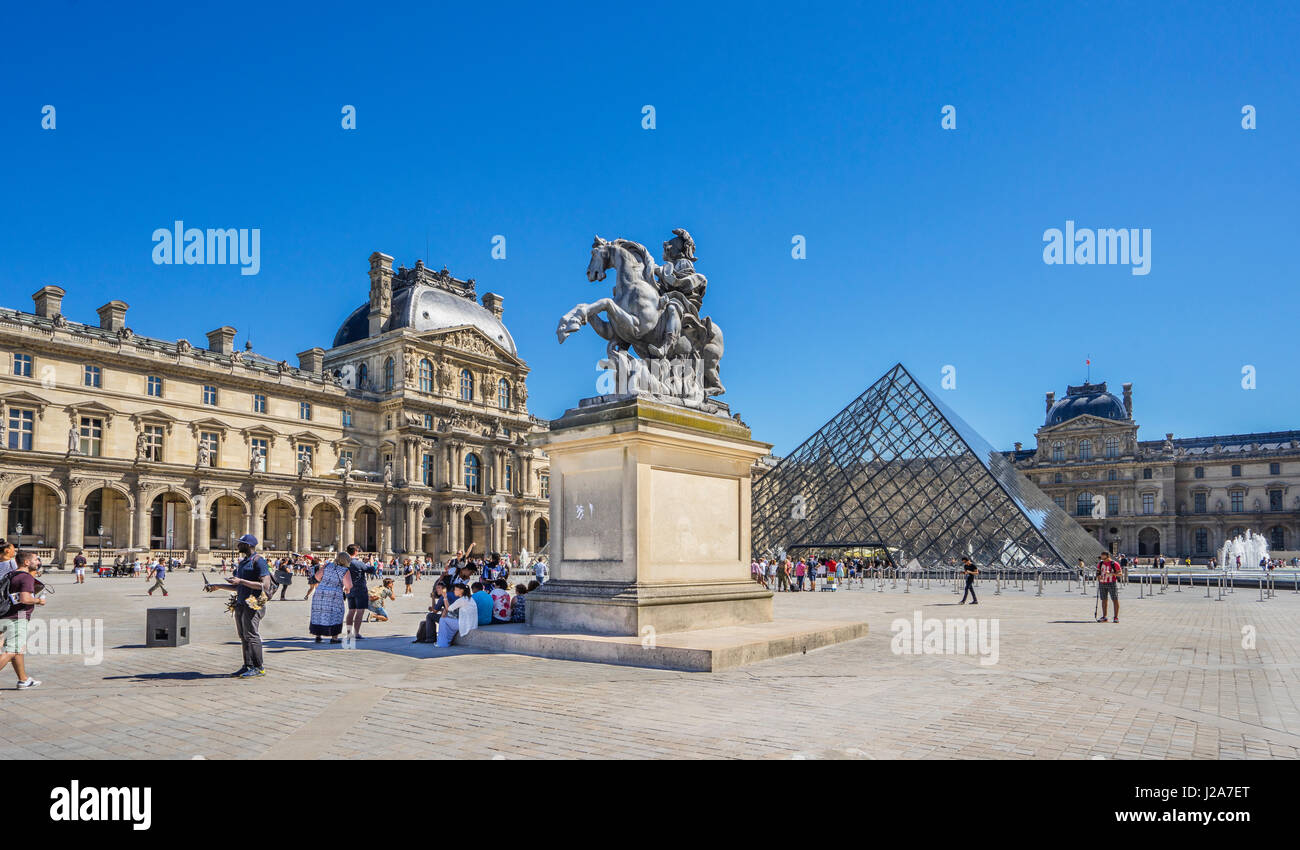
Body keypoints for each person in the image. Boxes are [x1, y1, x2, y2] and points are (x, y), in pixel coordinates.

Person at [202, 534, 272, 678]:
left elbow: (265, 585)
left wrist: (241, 581)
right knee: (243, 636)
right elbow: (237, 586)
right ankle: (248, 665)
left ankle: (259, 667)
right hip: (240, 603)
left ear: (249, 545)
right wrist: (218, 586)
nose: (238, 545)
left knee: (251, 635)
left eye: (241, 543)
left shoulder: (259, 561)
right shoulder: (243, 562)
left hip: (254, 604)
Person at [0, 551, 46, 689]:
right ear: (27, 562)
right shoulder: (26, 578)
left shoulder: (11, 574)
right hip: (17, 617)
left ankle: (23, 680)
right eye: (36, 560)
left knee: (17, 649)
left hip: (5, 615)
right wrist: (39, 600)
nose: (38, 562)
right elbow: (25, 598)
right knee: (12, 650)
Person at [310, 552, 351, 643]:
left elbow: (316, 577)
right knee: (335, 614)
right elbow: (348, 585)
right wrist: (347, 590)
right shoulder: (345, 570)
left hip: (320, 592)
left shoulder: (327, 565)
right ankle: (334, 638)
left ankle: (318, 636)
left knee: (319, 612)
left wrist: (325, 582)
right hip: (334, 594)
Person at [344, 544, 369, 640]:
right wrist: (370, 562)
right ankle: (356, 633)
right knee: (360, 611)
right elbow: (371, 570)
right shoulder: (358, 563)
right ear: (356, 551)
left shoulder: (345, 562)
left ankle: (349, 633)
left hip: (349, 589)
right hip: (360, 590)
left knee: (351, 611)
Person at [1097, 553, 1121, 623]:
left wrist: (1111, 573)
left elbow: (1120, 574)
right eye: (1101, 557)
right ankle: (1104, 617)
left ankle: (1116, 617)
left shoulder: (1114, 563)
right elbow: (1098, 572)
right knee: (1104, 600)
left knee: (1115, 599)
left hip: (1112, 583)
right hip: (1102, 583)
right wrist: (1099, 577)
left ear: (1107, 556)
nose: (1102, 559)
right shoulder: (1100, 564)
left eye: (1103, 557)